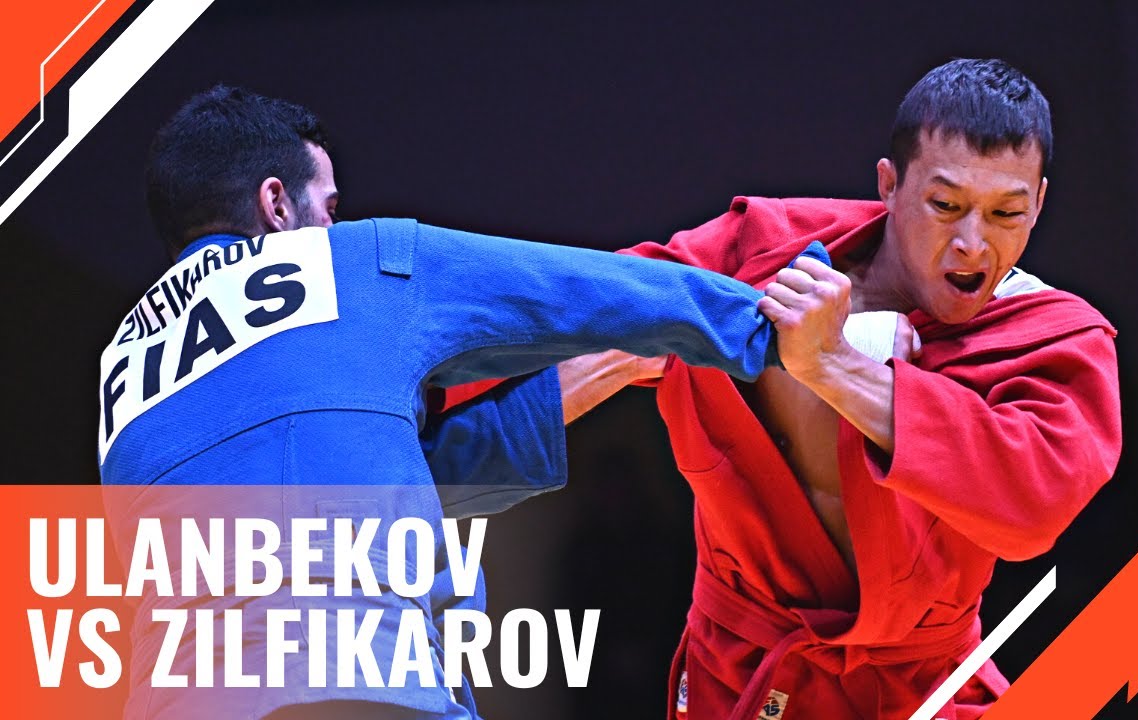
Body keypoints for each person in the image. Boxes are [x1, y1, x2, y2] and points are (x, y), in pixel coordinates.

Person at [97, 85, 830, 720]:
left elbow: (389, 475)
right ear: (276, 204)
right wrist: (777, 326)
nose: (332, 227)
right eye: (327, 208)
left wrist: (620, 362)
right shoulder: (348, 264)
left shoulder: (123, 369)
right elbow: (572, 290)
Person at [473, 58, 1123, 719]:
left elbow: (1034, 503)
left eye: (1006, 213)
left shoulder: (1054, 339)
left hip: (920, 688)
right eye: (946, 206)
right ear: (890, 184)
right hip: (742, 675)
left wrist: (832, 367)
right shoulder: (761, 249)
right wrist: (436, 435)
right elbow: (583, 307)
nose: (972, 245)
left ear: (1038, 201)